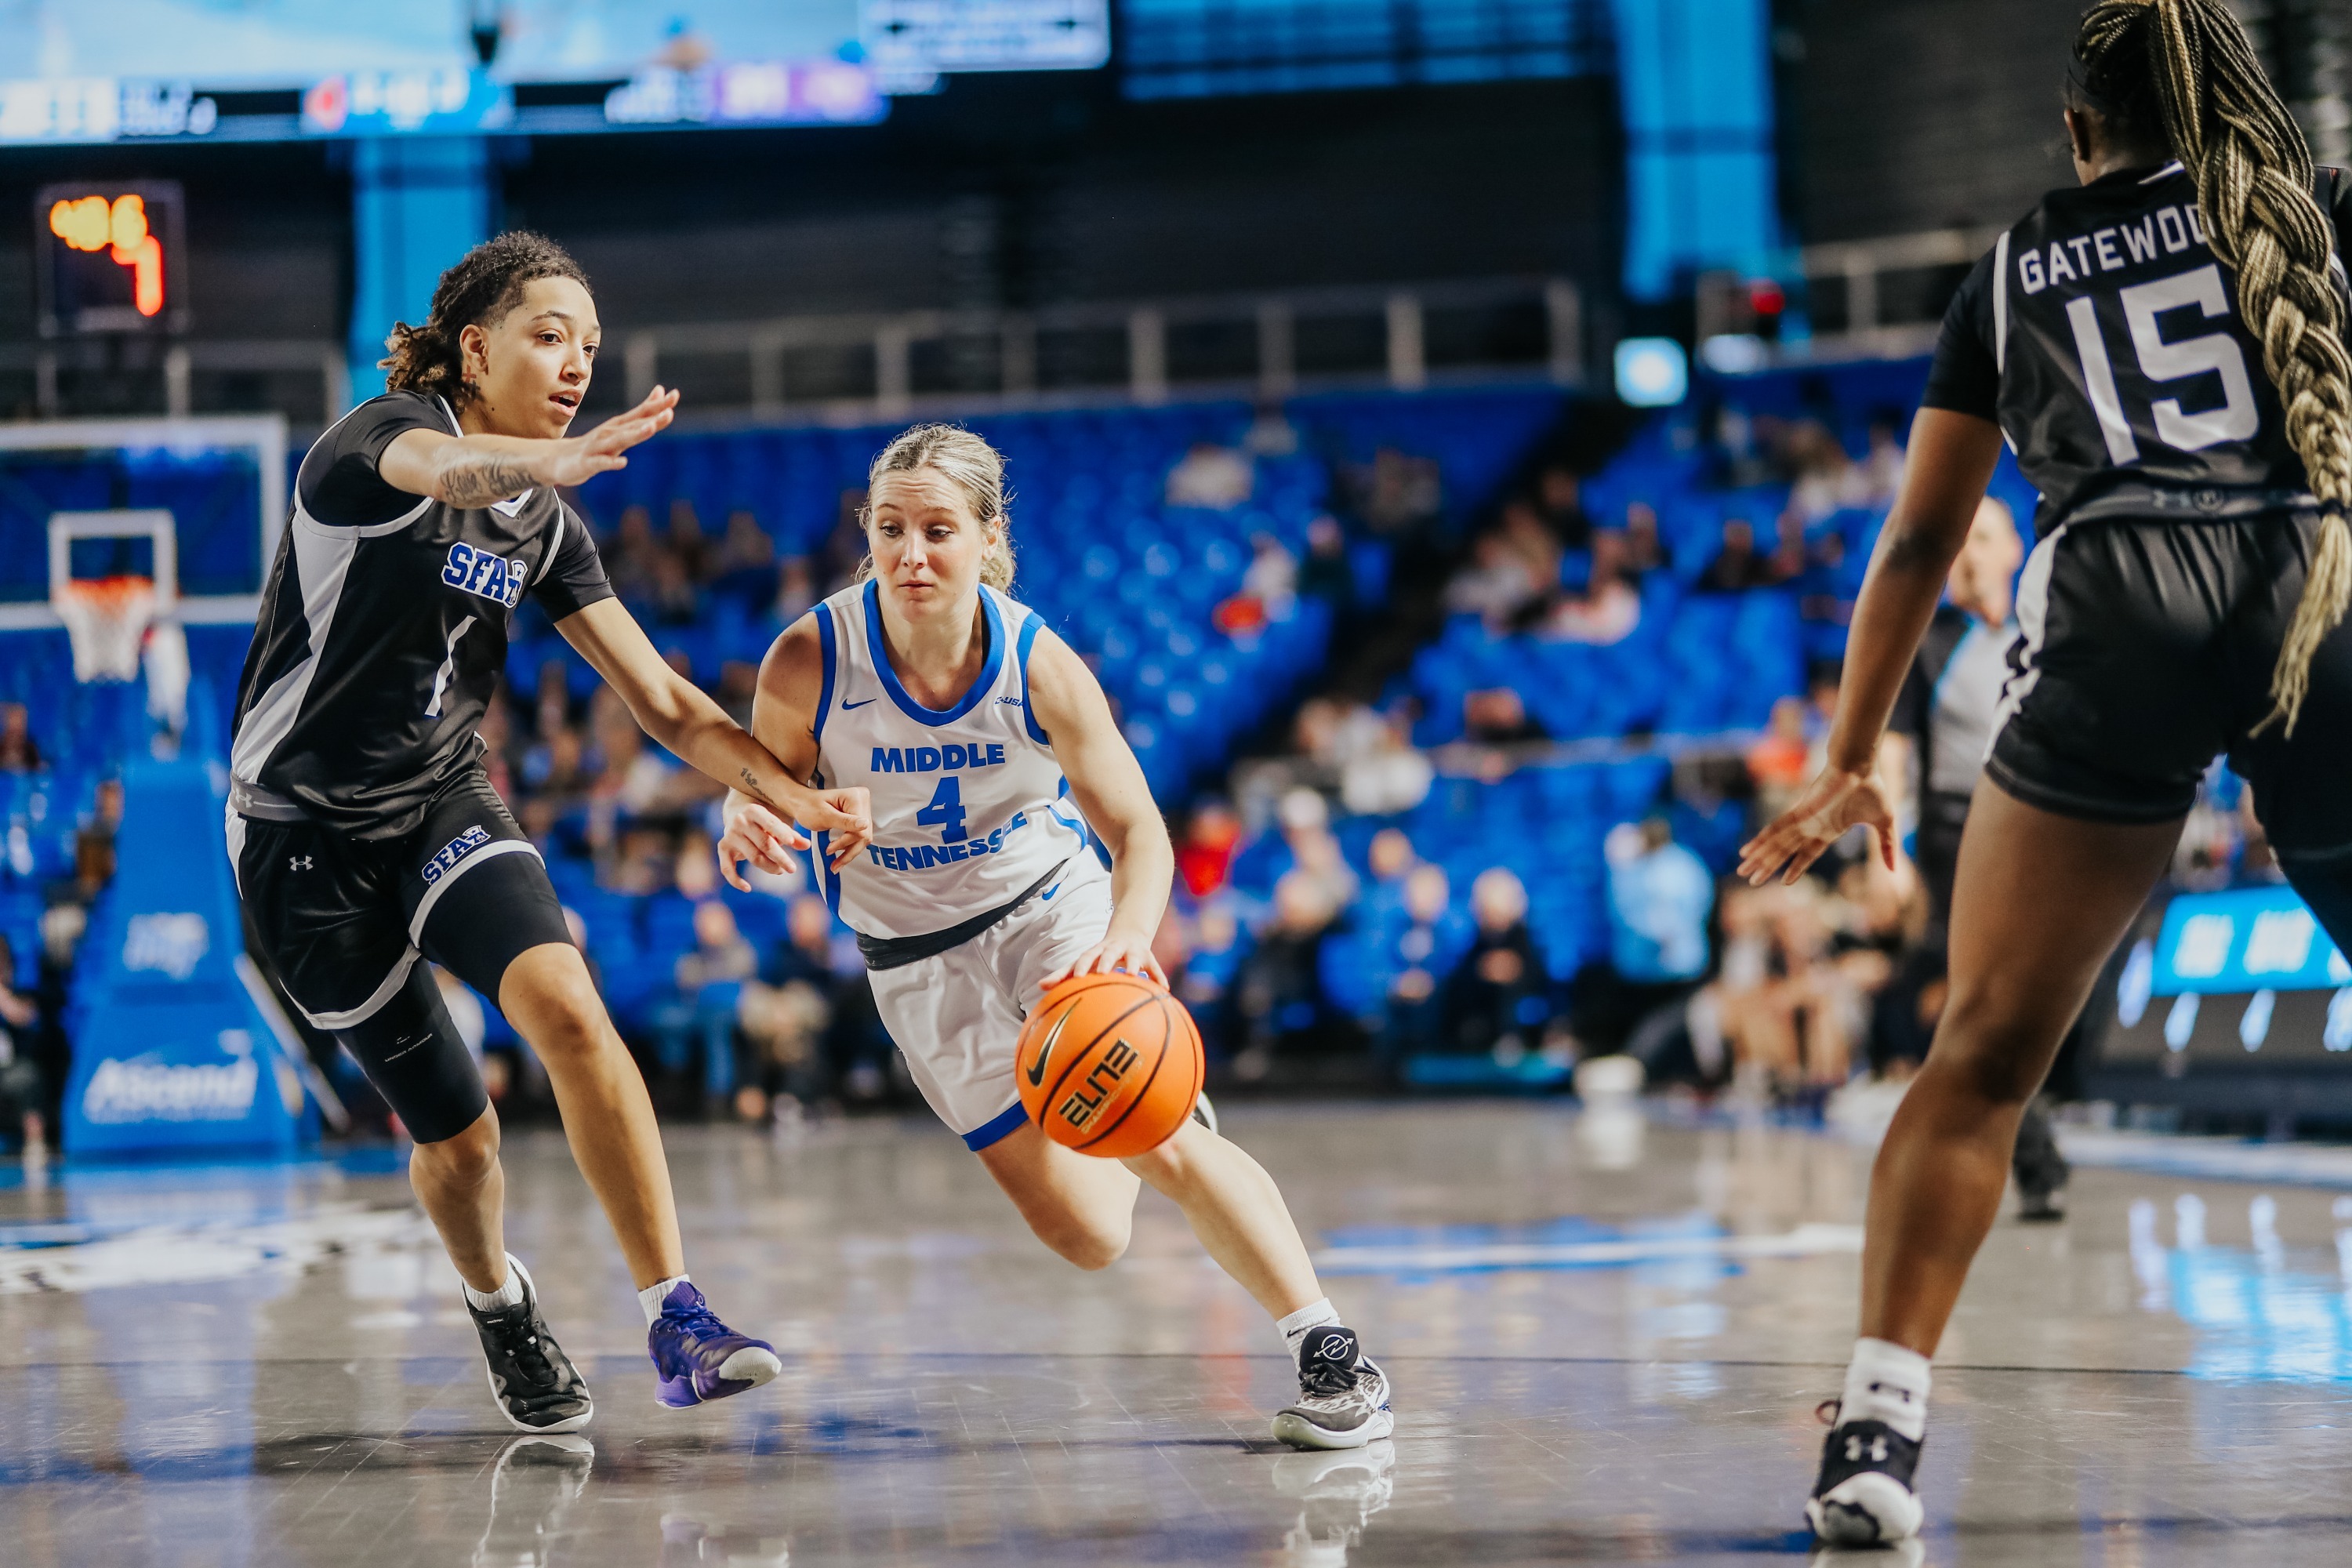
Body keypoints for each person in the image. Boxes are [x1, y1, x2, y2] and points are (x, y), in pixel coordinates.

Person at [1738, 2, 2352, 1544]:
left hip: (2115, 614)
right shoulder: (2310, 214)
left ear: (2080, 130)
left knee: (1983, 1060)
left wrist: (1851, 756)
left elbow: (1919, 541)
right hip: (2317, 592)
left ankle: (1875, 1436)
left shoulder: (2014, 270)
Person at [224, 231, 872, 1433]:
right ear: (475, 349)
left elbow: (665, 702)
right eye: (550, 336)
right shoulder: (371, 445)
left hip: (439, 801)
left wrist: (793, 792)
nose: (577, 362)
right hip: (300, 840)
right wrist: (553, 459)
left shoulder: (548, 524)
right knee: (463, 1145)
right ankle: (499, 1304)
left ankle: (677, 1319)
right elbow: (444, 469)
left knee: (570, 1007)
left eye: (590, 345)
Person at [717, 423, 1395, 1451]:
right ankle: (1150, 1108)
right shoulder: (811, 656)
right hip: (913, 958)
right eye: (890, 528)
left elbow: (1142, 833)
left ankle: (1332, 1354)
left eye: (938, 530)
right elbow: (765, 777)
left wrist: (1127, 940)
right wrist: (746, 809)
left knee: (1165, 1140)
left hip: (1048, 912)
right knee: (1088, 1235)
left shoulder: (1039, 664)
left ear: (988, 537)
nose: (911, 554)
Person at [1888, 496, 2083, 1220]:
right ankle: (2027, 1158)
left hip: (2039, 826)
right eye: (1960, 539)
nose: (1970, 553)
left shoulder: (2045, 630)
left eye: (1985, 537)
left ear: (2014, 551)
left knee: (2014, 1001)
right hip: (1958, 832)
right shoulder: (1927, 642)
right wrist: (1889, 855)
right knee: (1975, 997)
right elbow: (1895, 748)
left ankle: (2013, 1145)